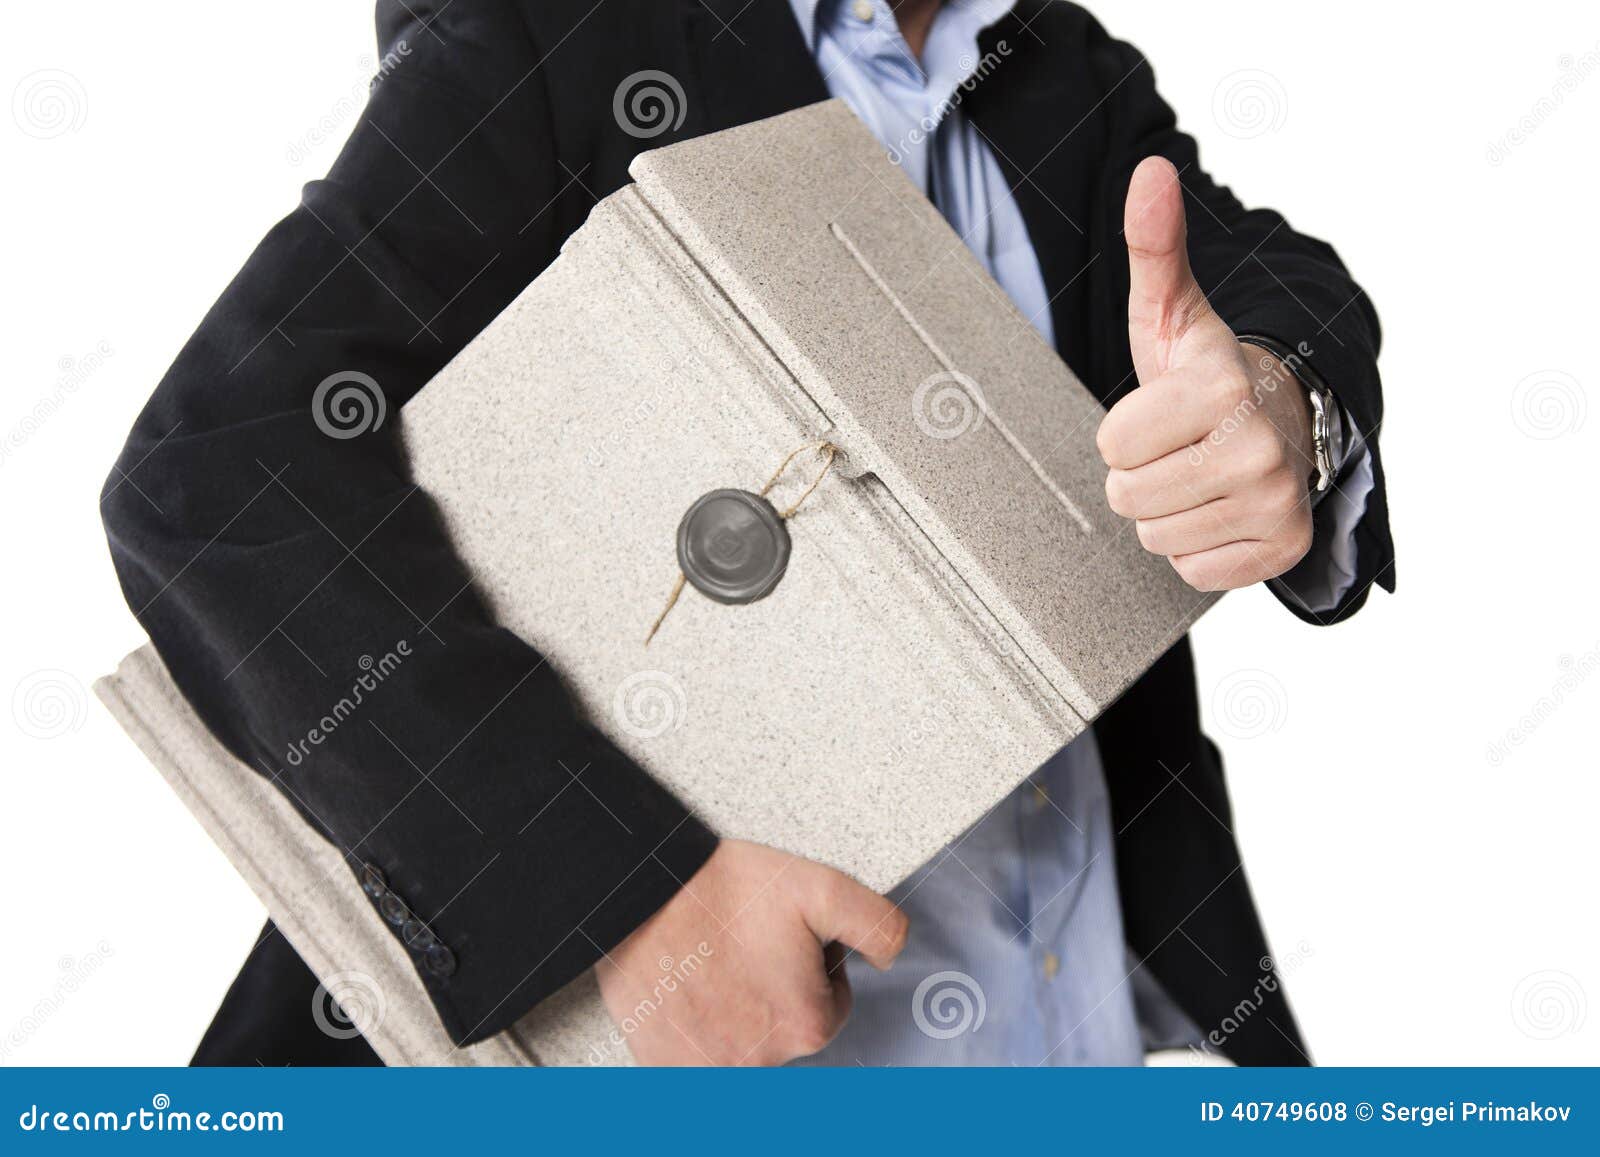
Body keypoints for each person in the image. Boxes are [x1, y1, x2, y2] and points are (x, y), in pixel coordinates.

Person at [100, 0, 1393, 1067]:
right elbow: (224, 471)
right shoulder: (552, 36)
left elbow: (1267, 288)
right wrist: (621, 894)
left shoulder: (1058, 65)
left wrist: (1282, 405)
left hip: (1107, 1039)